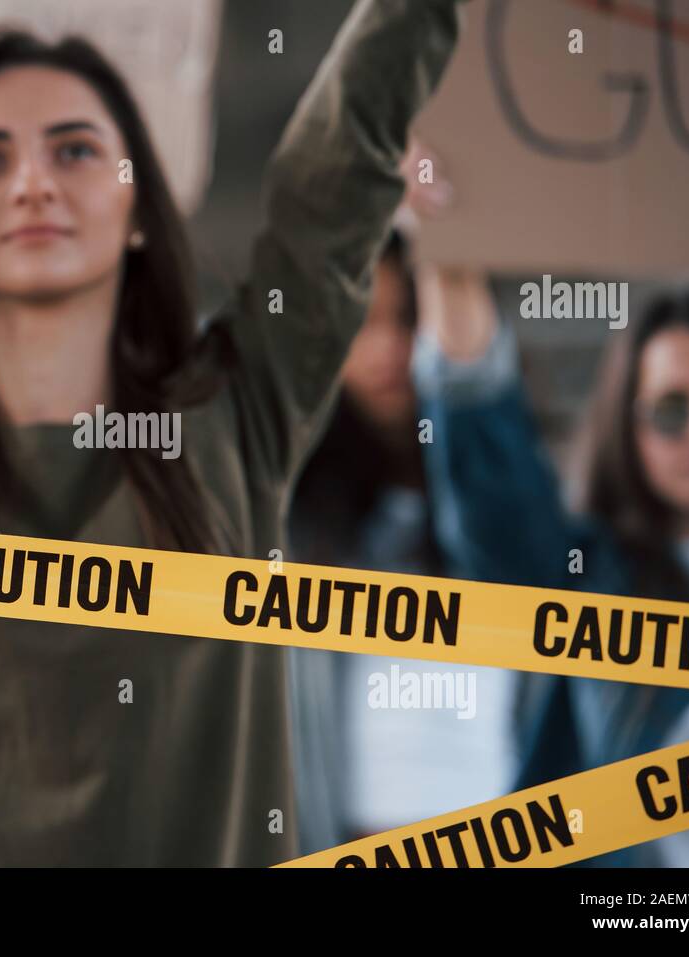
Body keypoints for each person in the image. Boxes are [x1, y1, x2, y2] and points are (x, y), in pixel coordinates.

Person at [0, 0, 464, 865]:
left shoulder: (232, 418)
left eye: (75, 149)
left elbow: (336, 181)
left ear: (141, 202)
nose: (31, 183)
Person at [413, 267, 689, 866]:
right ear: (627, 424)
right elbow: (494, 494)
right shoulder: (579, 578)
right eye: (671, 409)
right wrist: (450, 265)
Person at [286, 231, 517, 855]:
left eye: (410, 318)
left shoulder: (509, 506)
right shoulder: (293, 514)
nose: (387, 346)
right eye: (360, 321)